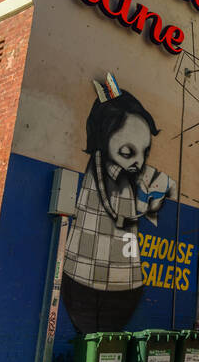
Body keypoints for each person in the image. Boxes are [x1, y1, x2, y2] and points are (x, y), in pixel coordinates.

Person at [60, 81, 175, 334]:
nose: (139, 161)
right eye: (128, 151)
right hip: (86, 280)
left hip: (123, 284)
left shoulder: (129, 176)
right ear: (104, 134)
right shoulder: (102, 170)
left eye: (145, 152)